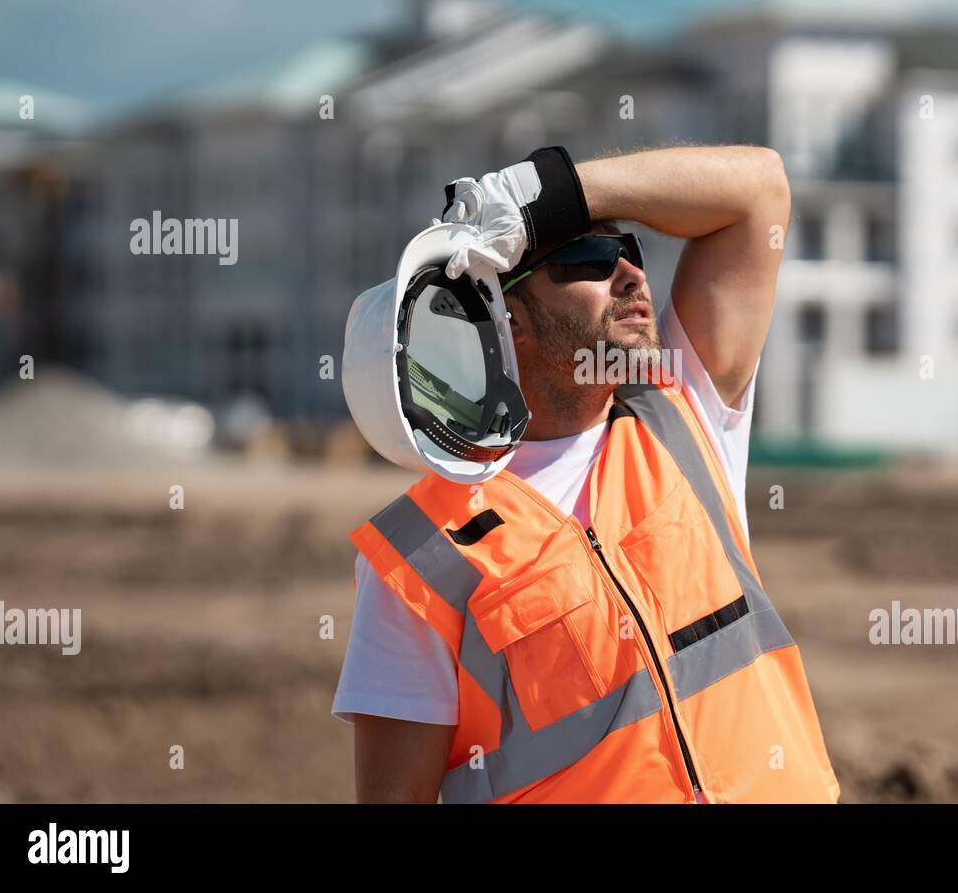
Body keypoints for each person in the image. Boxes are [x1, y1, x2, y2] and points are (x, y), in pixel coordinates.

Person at [333, 144, 841, 803]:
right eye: (591, 260)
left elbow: (759, 190)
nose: (630, 273)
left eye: (631, 249)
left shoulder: (681, 414)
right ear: (508, 321)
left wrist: (548, 192)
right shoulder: (421, 557)